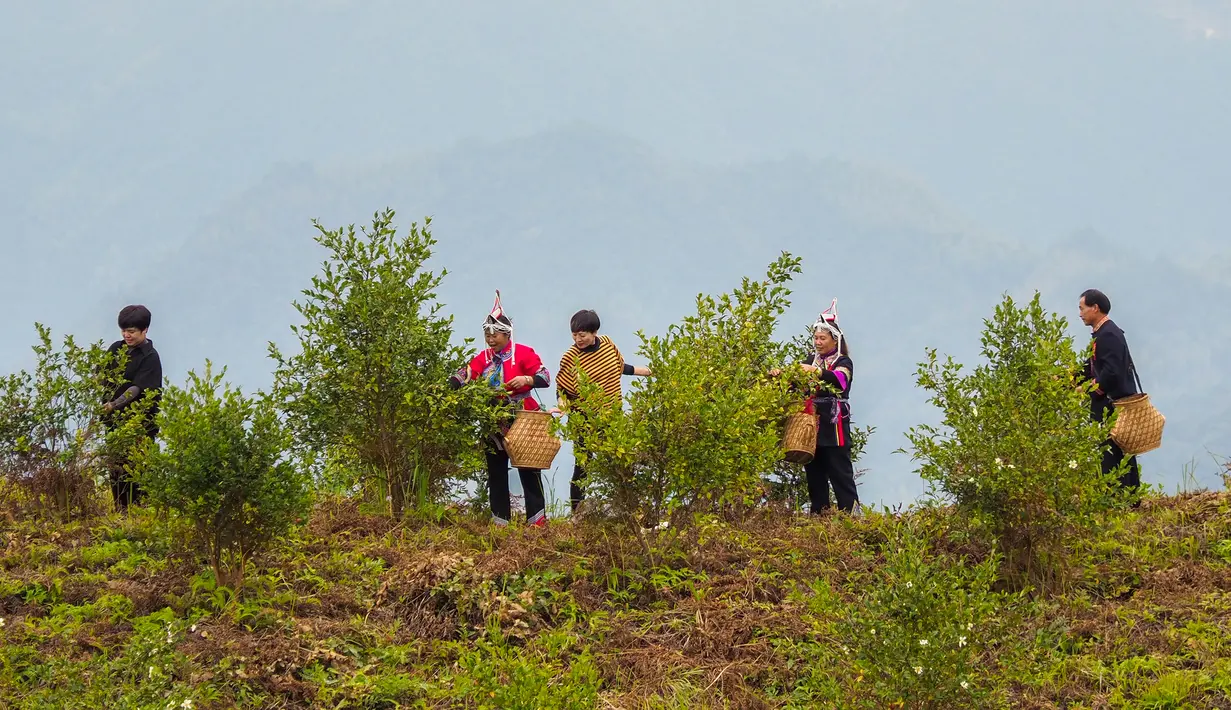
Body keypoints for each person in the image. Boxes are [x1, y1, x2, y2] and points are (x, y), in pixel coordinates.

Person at [450, 291, 552, 527]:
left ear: (507, 334)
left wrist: (527, 380)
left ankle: (536, 521)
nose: (490, 338)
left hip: (522, 416)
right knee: (496, 471)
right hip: (493, 418)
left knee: (529, 467)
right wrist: (451, 385)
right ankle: (500, 522)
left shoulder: (524, 353)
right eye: (487, 333)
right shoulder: (483, 358)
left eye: (495, 333)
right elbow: (466, 373)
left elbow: (544, 376)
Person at [551, 309, 650, 513]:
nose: (578, 339)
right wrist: (562, 406)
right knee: (583, 466)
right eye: (574, 335)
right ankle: (576, 514)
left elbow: (618, 366)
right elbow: (562, 388)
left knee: (620, 462)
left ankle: (629, 510)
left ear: (594, 332)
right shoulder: (570, 357)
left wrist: (643, 371)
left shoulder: (606, 344)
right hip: (583, 418)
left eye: (582, 335)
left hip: (611, 415)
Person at [777, 300, 859, 514]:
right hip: (810, 428)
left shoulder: (843, 361)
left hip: (835, 428)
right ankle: (819, 516)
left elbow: (840, 381)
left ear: (835, 340)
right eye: (816, 338)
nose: (818, 342)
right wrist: (781, 376)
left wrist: (816, 373)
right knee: (814, 474)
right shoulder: (811, 360)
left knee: (840, 473)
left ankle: (851, 516)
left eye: (822, 338)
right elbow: (794, 384)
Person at [1078, 288, 1141, 497]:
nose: (1080, 313)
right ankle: (1128, 497)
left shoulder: (1109, 335)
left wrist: (1090, 388)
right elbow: (1092, 367)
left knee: (1112, 451)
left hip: (1112, 404)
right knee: (1119, 449)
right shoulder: (1103, 334)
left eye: (1082, 308)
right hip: (1110, 403)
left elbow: (1112, 373)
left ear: (1095, 308)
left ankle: (1119, 498)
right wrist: (1066, 379)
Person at [101, 304, 163, 512]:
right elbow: (103, 374)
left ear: (145, 330)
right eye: (124, 330)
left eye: (132, 331)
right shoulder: (116, 349)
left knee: (138, 468)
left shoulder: (150, 357)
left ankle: (139, 514)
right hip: (114, 422)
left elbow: (137, 389)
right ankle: (120, 512)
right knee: (116, 467)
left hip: (140, 423)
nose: (126, 335)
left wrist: (114, 404)